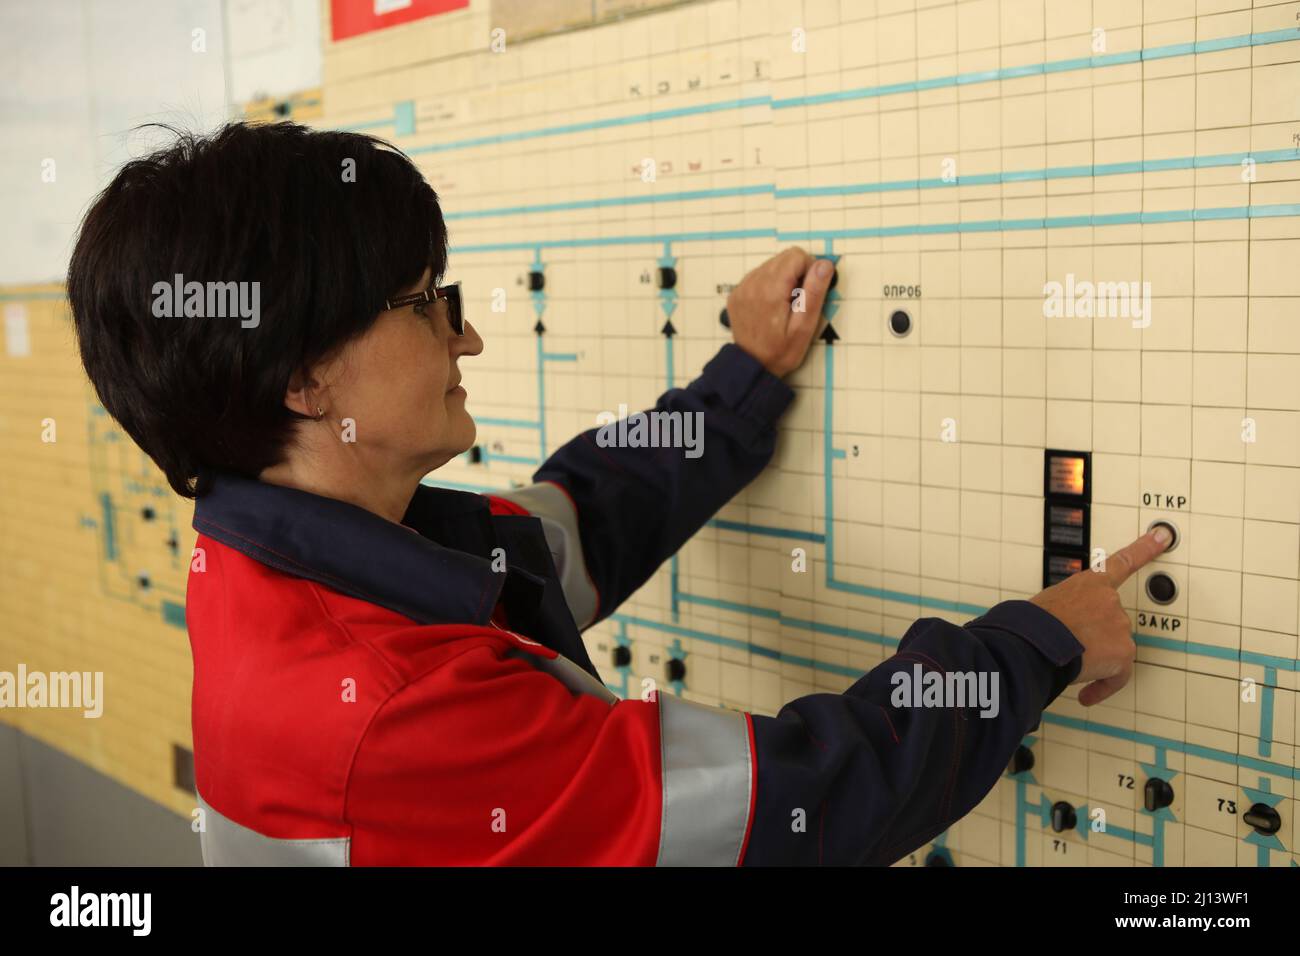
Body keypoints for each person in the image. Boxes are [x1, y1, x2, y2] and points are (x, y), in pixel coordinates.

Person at [67, 121, 1169, 866]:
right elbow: (798, 800)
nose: (470, 333)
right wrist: (1035, 641)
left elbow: (576, 524)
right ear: (305, 377)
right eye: (425, 304)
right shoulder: (395, 712)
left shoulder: (284, 563)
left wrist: (737, 383)